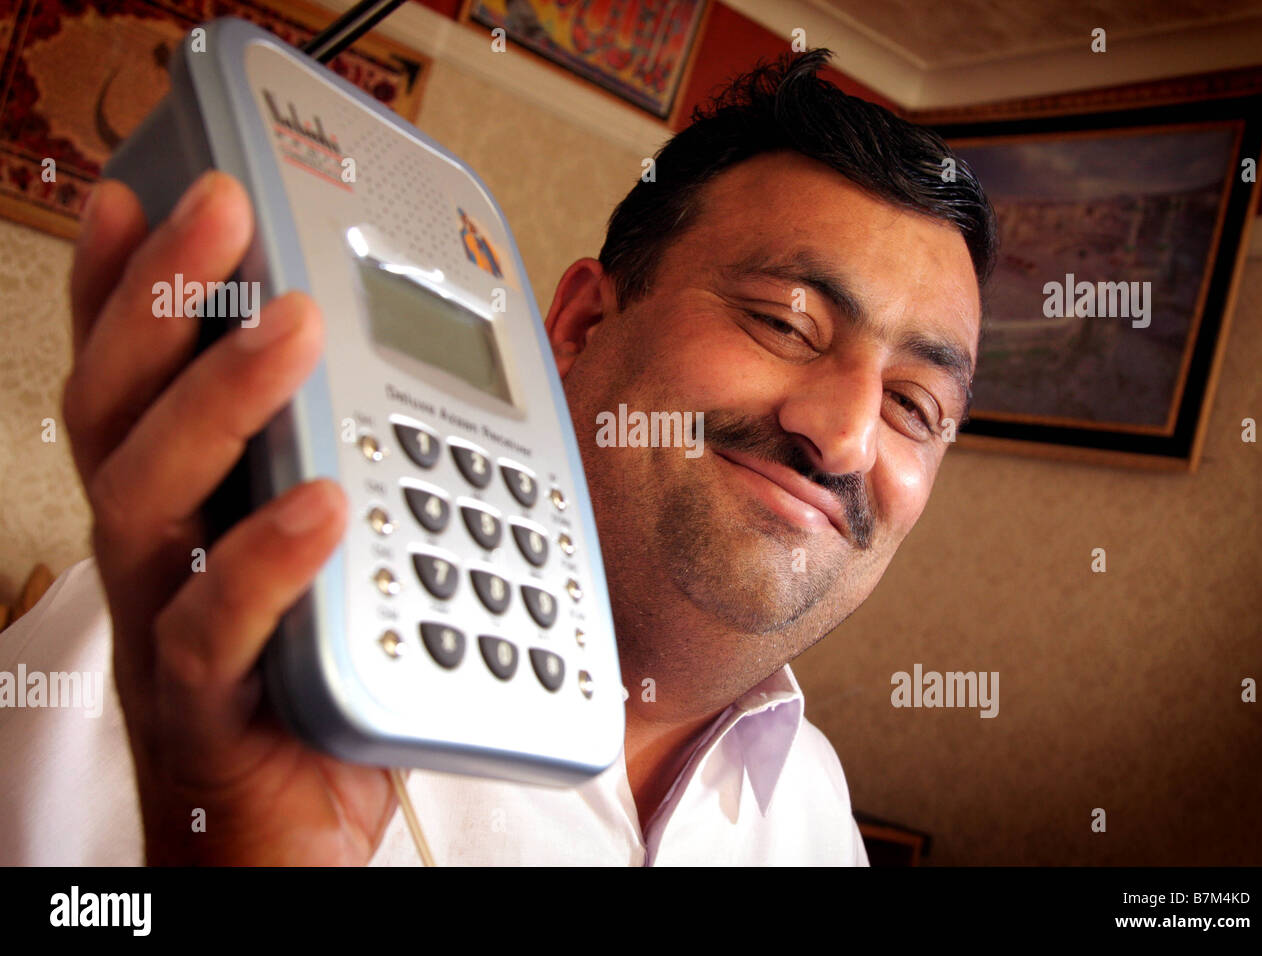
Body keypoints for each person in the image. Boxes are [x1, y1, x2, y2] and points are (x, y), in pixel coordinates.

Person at [0, 47, 995, 865]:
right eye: (786, 321)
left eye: (915, 403)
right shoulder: (166, 661)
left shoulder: (819, 819)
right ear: (578, 325)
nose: (846, 434)